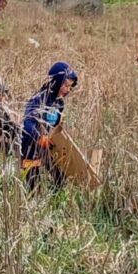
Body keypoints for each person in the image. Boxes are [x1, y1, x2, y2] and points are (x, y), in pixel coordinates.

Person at [21, 60, 80, 189]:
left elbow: (55, 125)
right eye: (65, 85)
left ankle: (54, 201)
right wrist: (39, 138)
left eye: (70, 87)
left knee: (60, 179)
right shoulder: (39, 99)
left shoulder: (60, 103)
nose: (68, 90)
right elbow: (28, 122)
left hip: (50, 147)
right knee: (33, 186)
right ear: (56, 82)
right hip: (31, 147)